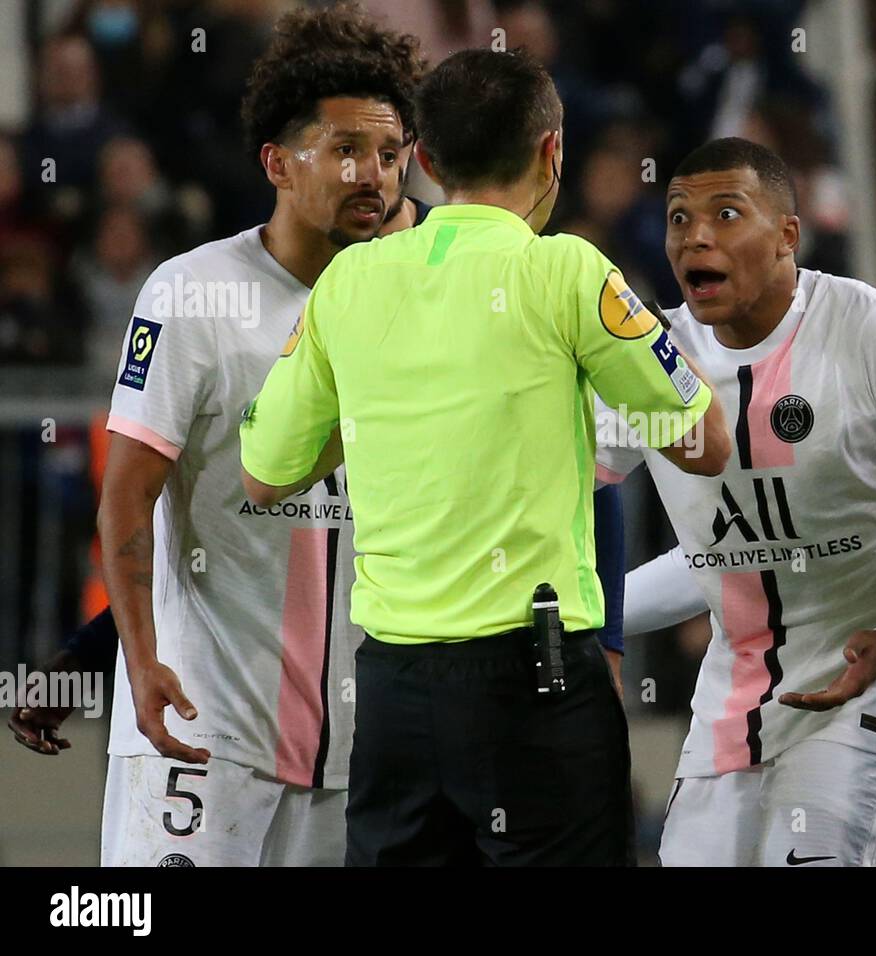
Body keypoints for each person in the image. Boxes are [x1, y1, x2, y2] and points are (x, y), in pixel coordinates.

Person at [239, 47, 729, 867]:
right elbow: (703, 442)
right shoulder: (565, 270)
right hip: (533, 683)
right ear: (552, 153)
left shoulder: (350, 283)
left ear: (423, 161)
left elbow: (264, 473)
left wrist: (376, 406)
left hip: (392, 695)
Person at [598, 137, 876, 867]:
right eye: (679, 218)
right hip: (730, 710)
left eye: (726, 213)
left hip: (869, 697)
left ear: (788, 233)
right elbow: (710, 558)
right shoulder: (653, 362)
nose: (695, 235)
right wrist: (593, 620)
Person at [96, 2, 423, 866]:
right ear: (278, 162)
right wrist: (140, 660)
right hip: (204, 731)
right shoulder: (191, 294)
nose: (374, 176)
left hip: (356, 756)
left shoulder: (413, 305)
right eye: (346, 149)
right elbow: (127, 493)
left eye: (390, 155)